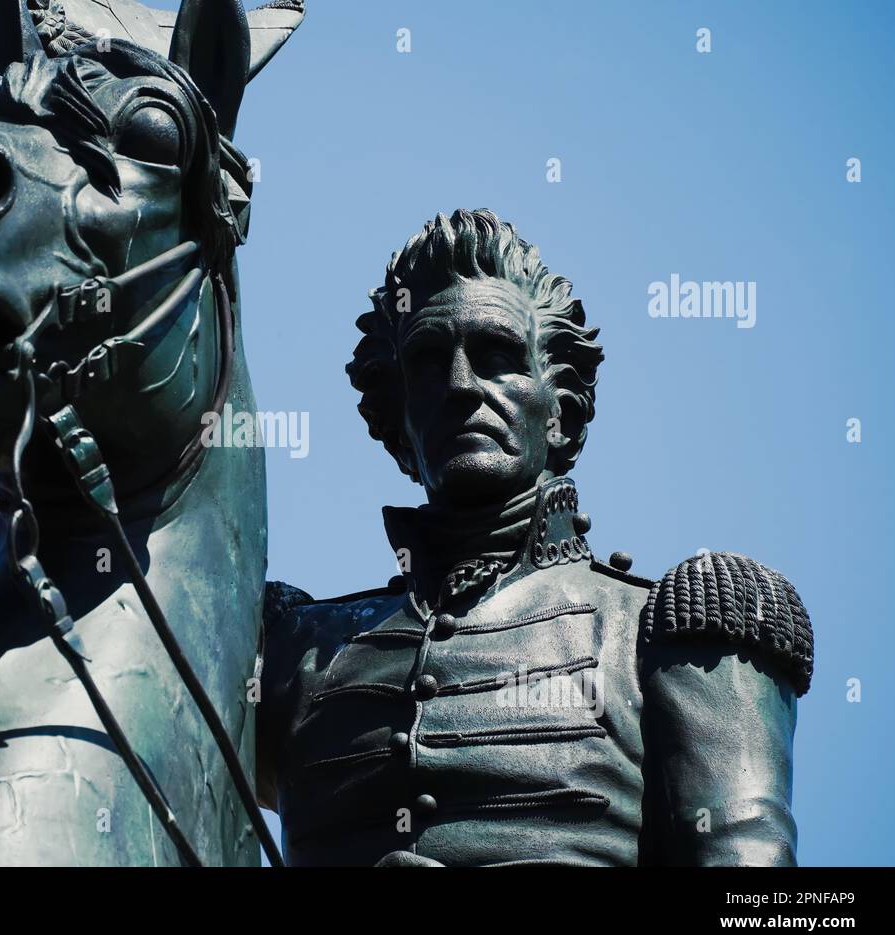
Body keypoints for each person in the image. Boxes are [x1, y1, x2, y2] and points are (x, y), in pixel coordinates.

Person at [257, 208, 812, 866]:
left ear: (562, 415)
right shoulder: (290, 653)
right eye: (430, 366)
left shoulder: (672, 637)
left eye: (497, 359)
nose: (462, 387)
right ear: (396, 425)